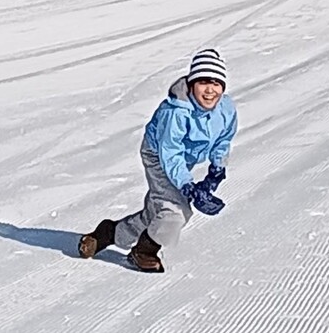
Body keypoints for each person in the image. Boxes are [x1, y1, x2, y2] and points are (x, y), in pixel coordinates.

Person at [78, 48, 238, 273]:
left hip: (182, 158)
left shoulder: (225, 109)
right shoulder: (176, 112)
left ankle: (109, 233)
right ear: (192, 84)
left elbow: (223, 139)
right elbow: (170, 152)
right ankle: (144, 251)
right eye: (203, 82)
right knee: (175, 211)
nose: (210, 90)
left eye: (216, 83)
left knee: (158, 211)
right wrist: (188, 186)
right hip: (158, 156)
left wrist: (216, 172)